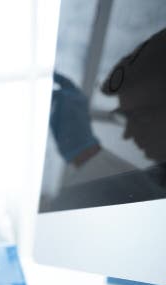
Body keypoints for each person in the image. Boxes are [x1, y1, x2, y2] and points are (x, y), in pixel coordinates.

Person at [44, 27, 166, 211]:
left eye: (142, 115)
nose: (128, 134)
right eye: (124, 116)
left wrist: (85, 154)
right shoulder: (157, 178)